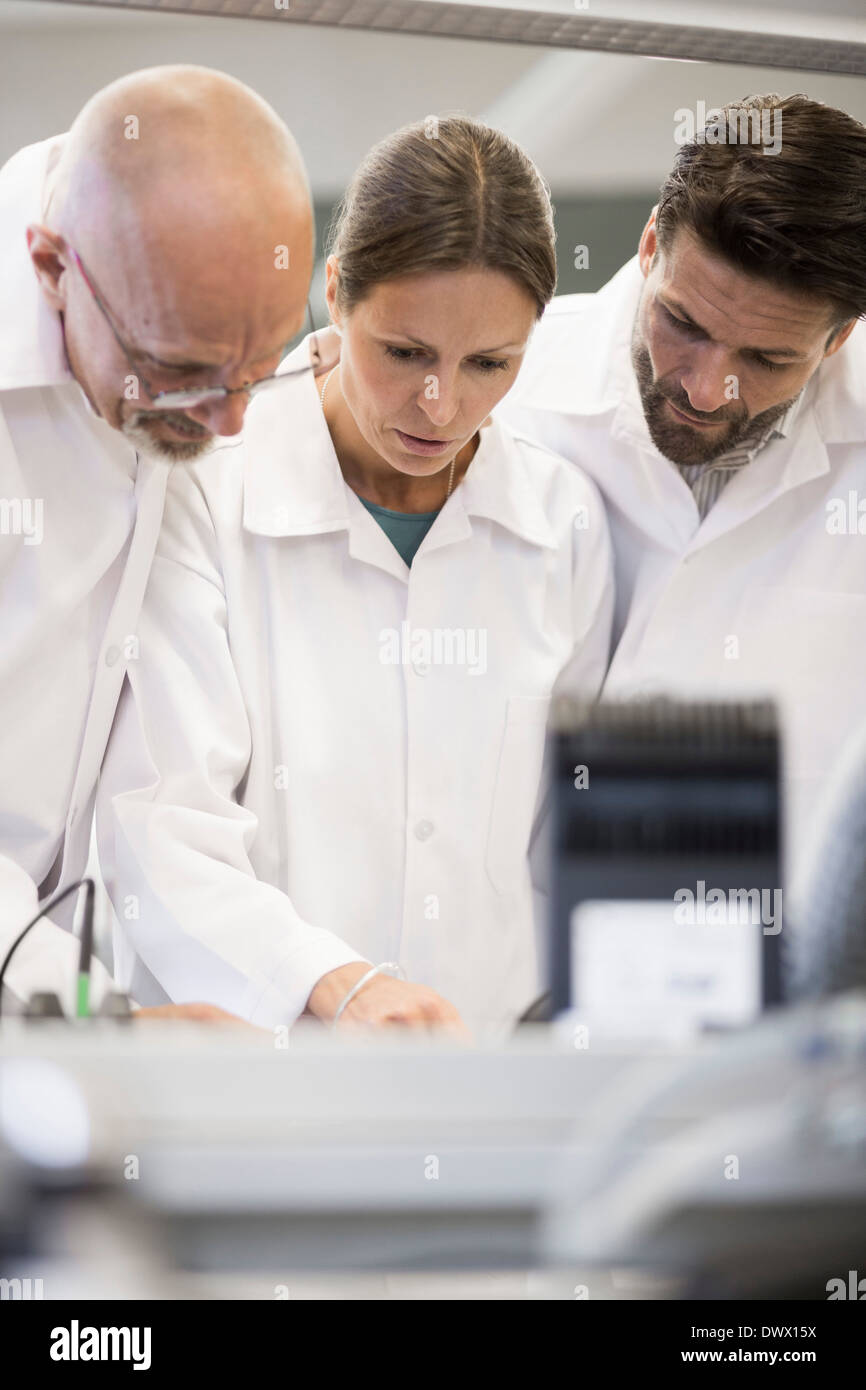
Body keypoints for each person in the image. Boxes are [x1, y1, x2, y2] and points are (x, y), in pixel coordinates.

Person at [97, 116, 614, 1035]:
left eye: (490, 363)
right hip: (257, 1076)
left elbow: (565, 849)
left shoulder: (560, 522)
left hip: (488, 1077)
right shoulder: (207, 489)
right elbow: (164, 827)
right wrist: (335, 982)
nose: (441, 405)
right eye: (404, 352)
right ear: (335, 293)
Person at [0, 65, 314, 1015]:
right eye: (180, 374)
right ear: (53, 267)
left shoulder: (174, 333)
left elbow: (159, 788)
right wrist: (90, 1013)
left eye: (257, 375)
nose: (227, 427)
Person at [498, 93, 866, 902]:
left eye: (768, 359)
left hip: (777, 972)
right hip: (506, 959)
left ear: (839, 339)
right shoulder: (500, 385)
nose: (706, 390)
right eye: (683, 324)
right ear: (651, 244)